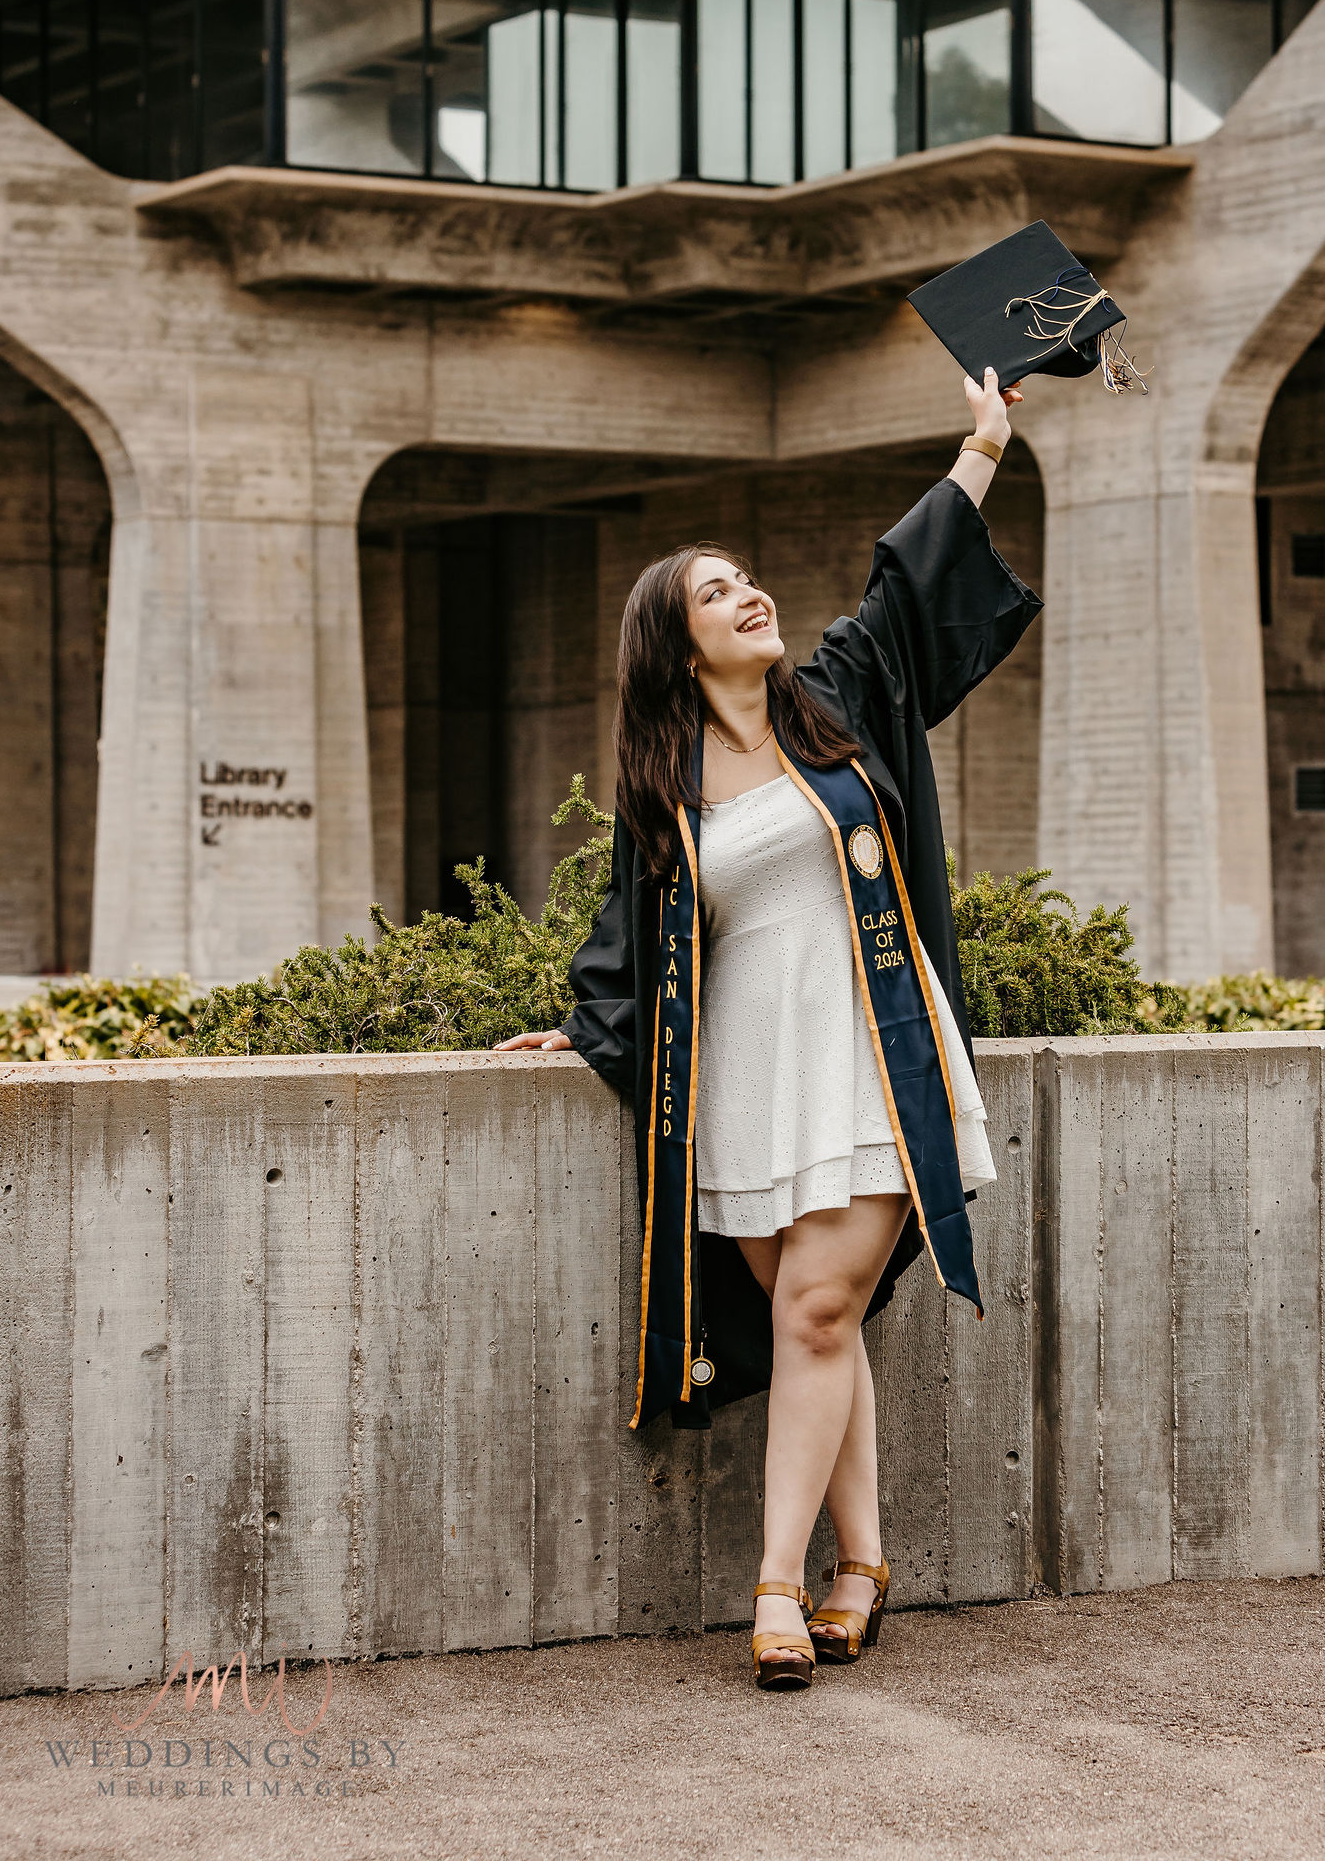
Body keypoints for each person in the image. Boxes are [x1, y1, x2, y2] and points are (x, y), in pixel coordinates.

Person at [497, 366, 1040, 1689]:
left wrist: (982, 444)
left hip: (870, 1059)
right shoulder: (665, 788)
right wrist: (586, 1026)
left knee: (810, 1310)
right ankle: (865, 1565)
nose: (751, 595)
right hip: (743, 1086)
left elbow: (909, 587)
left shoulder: (839, 699)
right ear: (679, 645)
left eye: (750, 580)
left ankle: (776, 1591)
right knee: (821, 1322)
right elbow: (637, 936)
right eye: (717, 591)